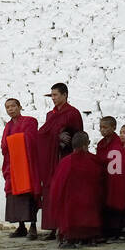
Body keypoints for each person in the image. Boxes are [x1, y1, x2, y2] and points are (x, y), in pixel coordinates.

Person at [37, 83, 83, 240]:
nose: (53, 98)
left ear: (65, 95)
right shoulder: (51, 115)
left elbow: (78, 136)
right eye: (52, 95)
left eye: (56, 95)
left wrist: (67, 142)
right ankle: (52, 227)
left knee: (64, 191)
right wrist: (56, 136)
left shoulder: (73, 113)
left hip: (66, 157)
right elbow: (43, 134)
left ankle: (65, 227)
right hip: (52, 158)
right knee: (51, 191)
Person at [49, 131, 103, 248]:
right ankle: (91, 239)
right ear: (86, 144)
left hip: (71, 201)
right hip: (89, 200)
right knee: (90, 209)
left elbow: (57, 184)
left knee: (69, 211)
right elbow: (100, 180)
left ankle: (70, 239)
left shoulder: (65, 162)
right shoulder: (93, 160)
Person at [1, 97, 39, 239]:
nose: (10, 109)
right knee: (14, 196)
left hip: (26, 164)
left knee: (29, 194)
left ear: (19, 106)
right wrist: (13, 141)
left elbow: (32, 138)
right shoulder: (8, 127)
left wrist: (14, 141)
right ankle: (21, 226)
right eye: (7, 107)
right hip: (12, 166)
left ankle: (33, 226)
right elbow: (4, 146)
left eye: (13, 106)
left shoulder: (30, 121)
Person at [94, 117, 122, 238]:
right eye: (101, 127)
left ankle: (117, 231)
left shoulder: (119, 142)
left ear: (114, 127)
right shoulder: (101, 143)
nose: (102, 130)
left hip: (117, 178)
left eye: (105, 127)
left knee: (116, 203)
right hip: (104, 178)